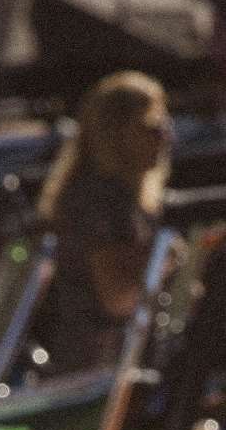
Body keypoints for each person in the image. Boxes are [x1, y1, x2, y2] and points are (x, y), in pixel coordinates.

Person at [35, 71, 172, 375]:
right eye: (149, 127)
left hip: (112, 364)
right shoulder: (97, 202)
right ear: (114, 134)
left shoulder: (124, 199)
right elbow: (116, 297)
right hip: (97, 368)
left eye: (164, 126)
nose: (164, 137)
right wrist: (165, 261)